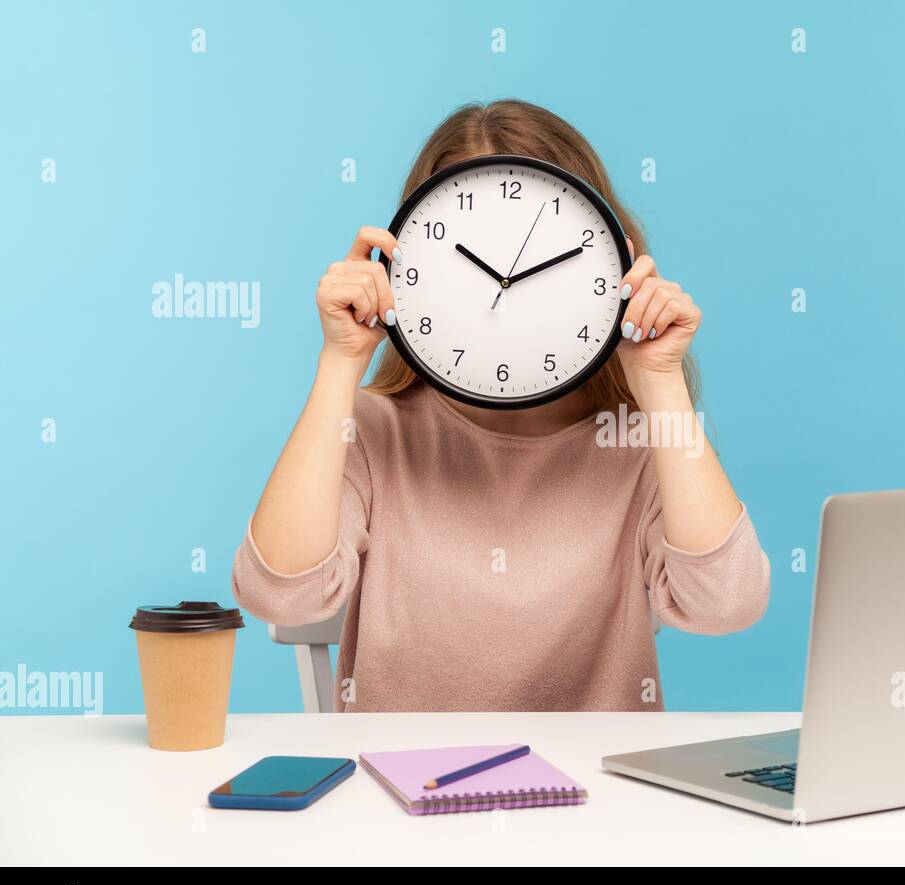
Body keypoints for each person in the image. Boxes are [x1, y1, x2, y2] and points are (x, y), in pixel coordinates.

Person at [232, 100, 770, 711]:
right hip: (403, 792)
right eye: (470, 257)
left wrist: (659, 377)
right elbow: (280, 593)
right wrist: (340, 361)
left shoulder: (636, 441)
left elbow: (727, 604)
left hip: (593, 798)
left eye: (542, 256)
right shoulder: (374, 434)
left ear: (608, 262)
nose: (503, 287)